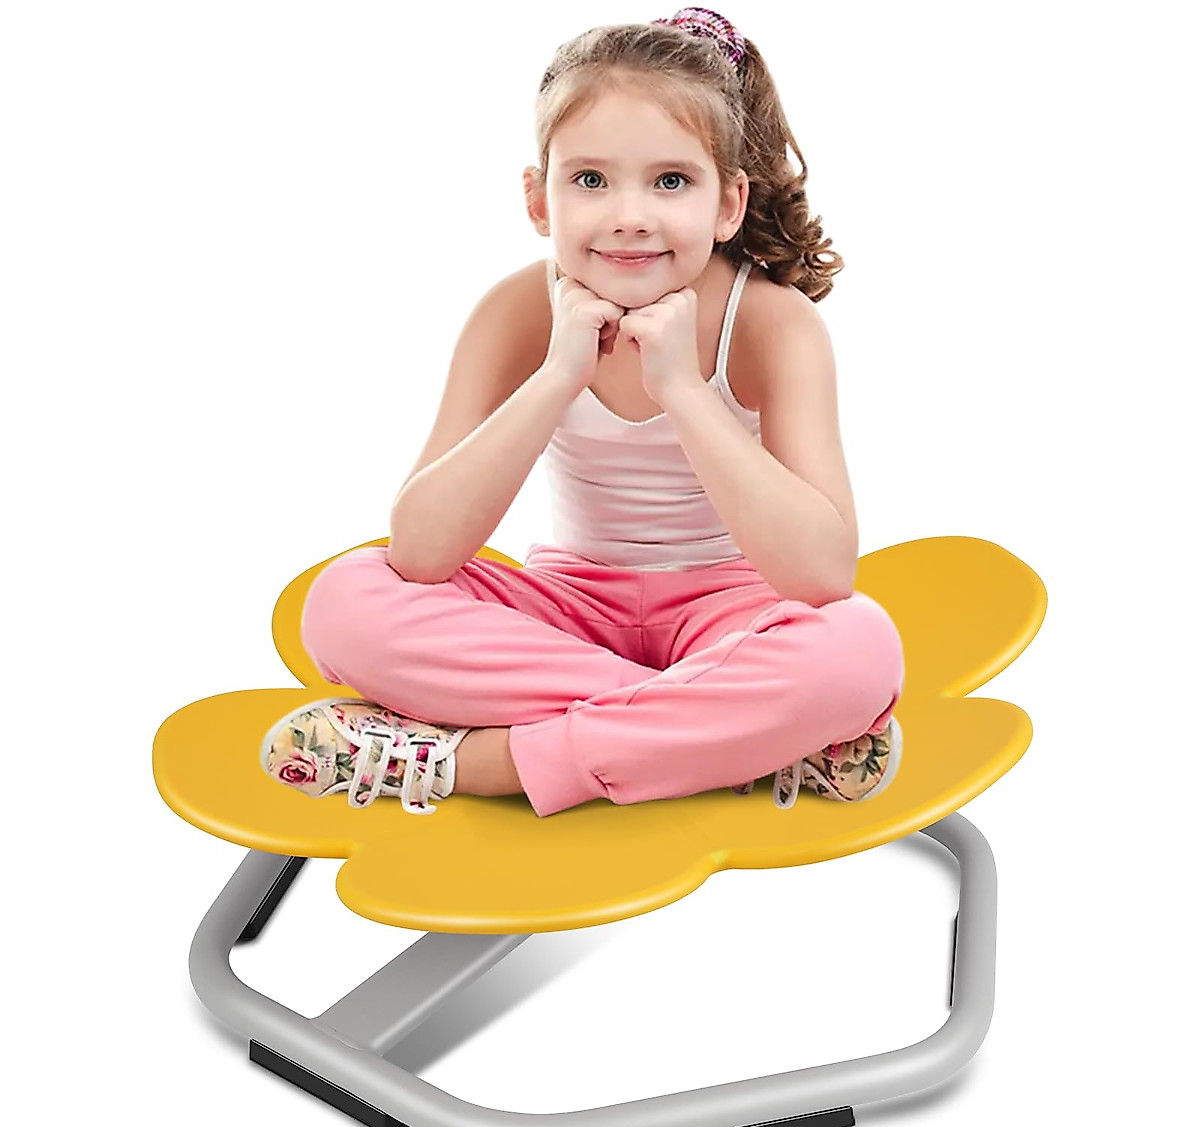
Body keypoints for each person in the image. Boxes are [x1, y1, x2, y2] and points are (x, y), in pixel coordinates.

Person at [260, 8, 905, 817]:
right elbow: (420, 550)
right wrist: (558, 374)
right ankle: (725, 735)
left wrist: (682, 390)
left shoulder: (774, 324)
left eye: (671, 181)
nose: (629, 215)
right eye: (591, 180)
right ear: (539, 200)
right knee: (345, 601)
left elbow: (821, 575)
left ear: (728, 203)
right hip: (567, 615)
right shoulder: (516, 312)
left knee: (857, 650)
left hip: (733, 615)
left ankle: (483, 763)